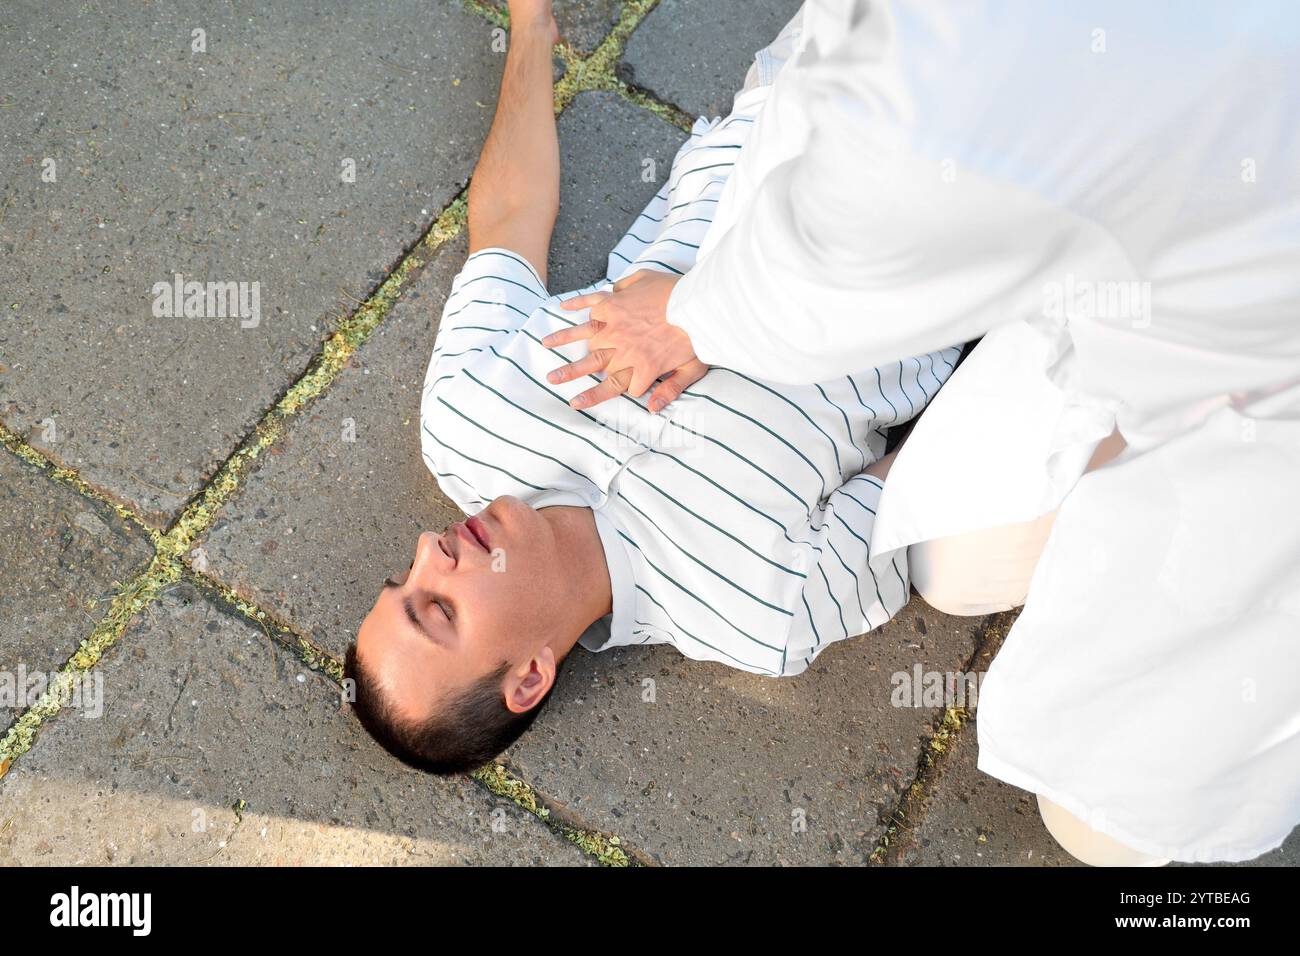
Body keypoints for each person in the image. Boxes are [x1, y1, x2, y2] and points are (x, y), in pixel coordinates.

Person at [550, 0, 1300, 865]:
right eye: (432, 603)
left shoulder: (936, 96)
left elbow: (866, 219)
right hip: (1166, 242)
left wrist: (698, 319)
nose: (431, 555)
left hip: (1233, 307)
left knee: (1108, 830)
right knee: (956, 562)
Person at [344, 0, 958, 776]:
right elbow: (945, 453)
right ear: (529, 675)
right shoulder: (763, 613)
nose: (430, 550)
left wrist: (530, 25)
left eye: (404, 579)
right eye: (438, 609)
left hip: (799, 90)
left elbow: (507, 222)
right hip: (956, 203)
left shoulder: (466, 420)